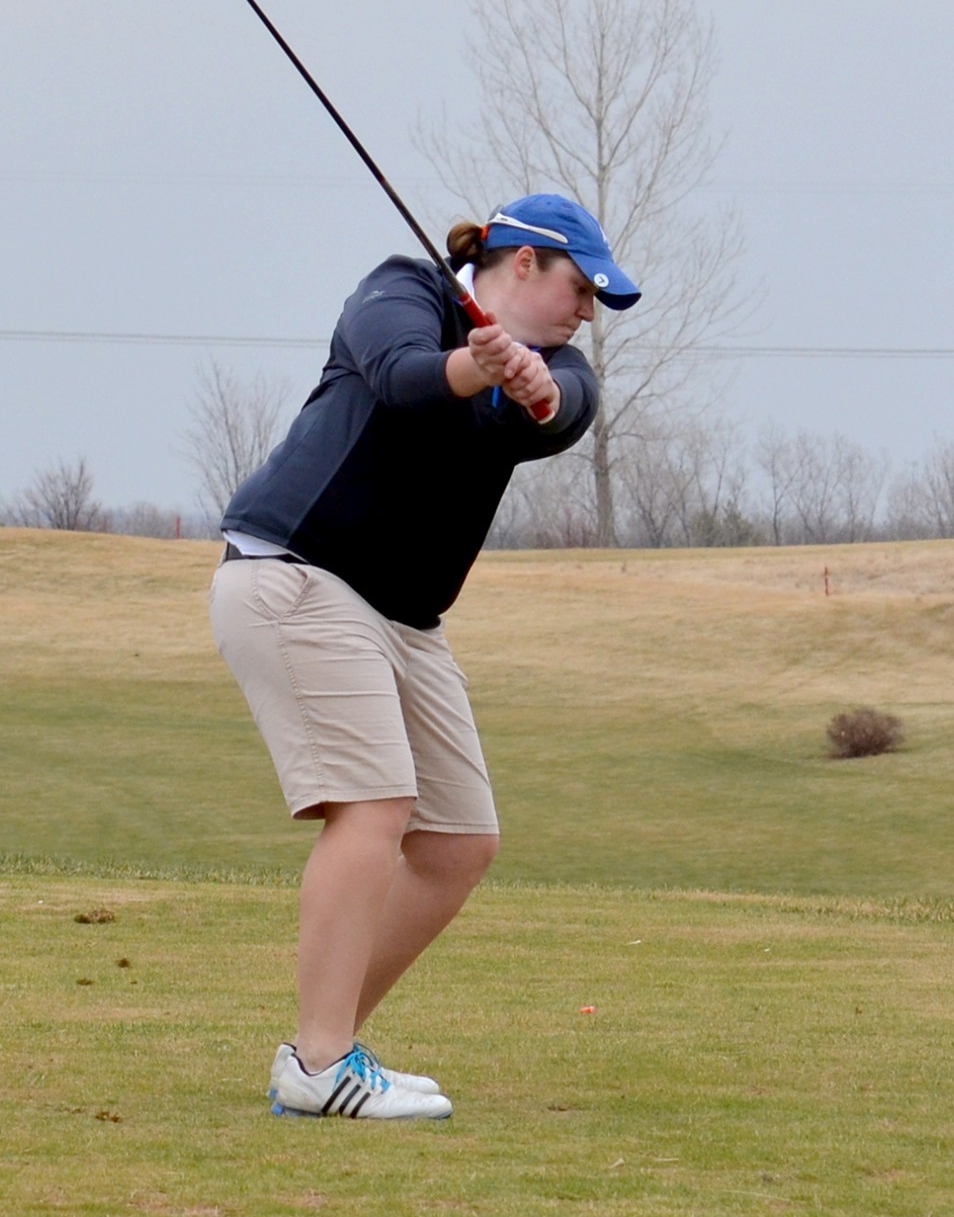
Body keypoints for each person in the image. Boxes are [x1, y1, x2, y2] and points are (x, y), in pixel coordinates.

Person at [208, 193, 640, 1120]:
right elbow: (403, 377)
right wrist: (468, 364)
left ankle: (321, 1053)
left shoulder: (562, 365)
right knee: (372, 805)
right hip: (297, 574)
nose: (585, 312)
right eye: (578, 287)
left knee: (455, 840)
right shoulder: (400, 290)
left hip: (402, 615)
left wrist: (535, 389)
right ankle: (322, 1068)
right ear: (521, 264)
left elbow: (560, 412)